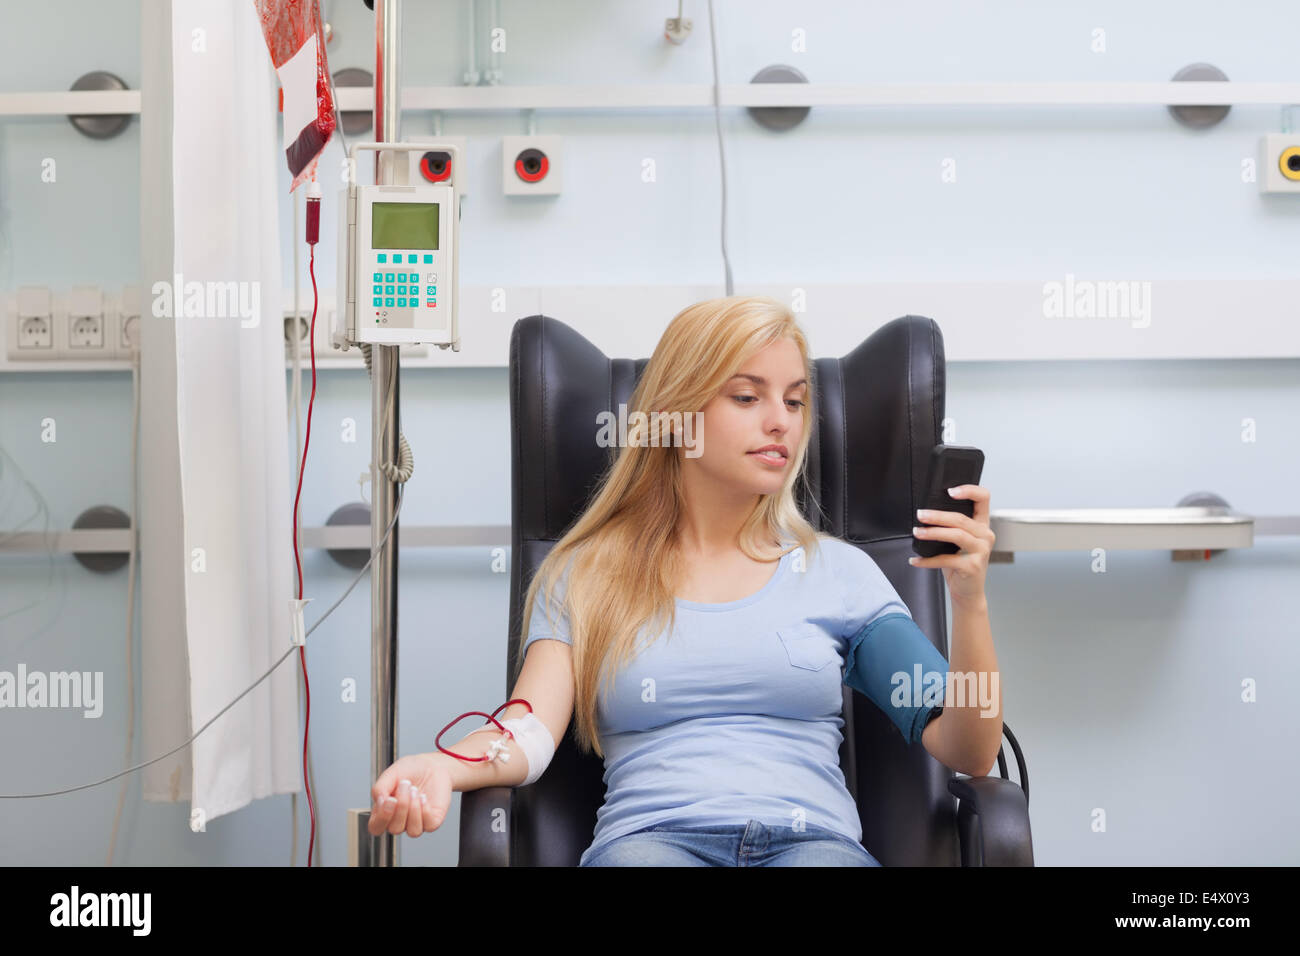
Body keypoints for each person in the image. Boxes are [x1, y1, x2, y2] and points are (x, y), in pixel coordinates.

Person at [367, 295, 1002, 866]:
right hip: (652, 841)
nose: (780, 420)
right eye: (747, 396)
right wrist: (443, 767)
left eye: (795, 400)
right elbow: (527, 732)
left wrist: (968, 599)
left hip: (814, 844)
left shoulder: (839, 572)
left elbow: (967, 747)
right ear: (675, 417)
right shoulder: (587, 573)